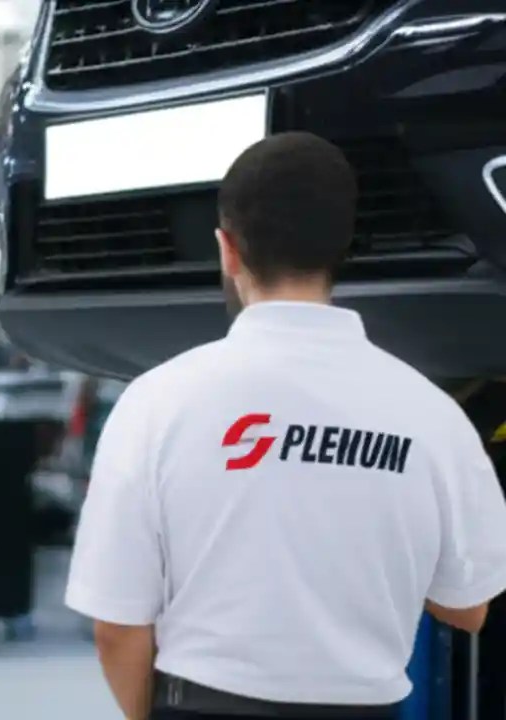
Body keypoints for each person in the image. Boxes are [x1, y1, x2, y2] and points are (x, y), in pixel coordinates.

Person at [64, 132, 506, 720]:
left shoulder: (157, 402)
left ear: (227, 249)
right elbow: (469, 607)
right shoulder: (432, 416)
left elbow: (117, 627)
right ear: (345, 247)